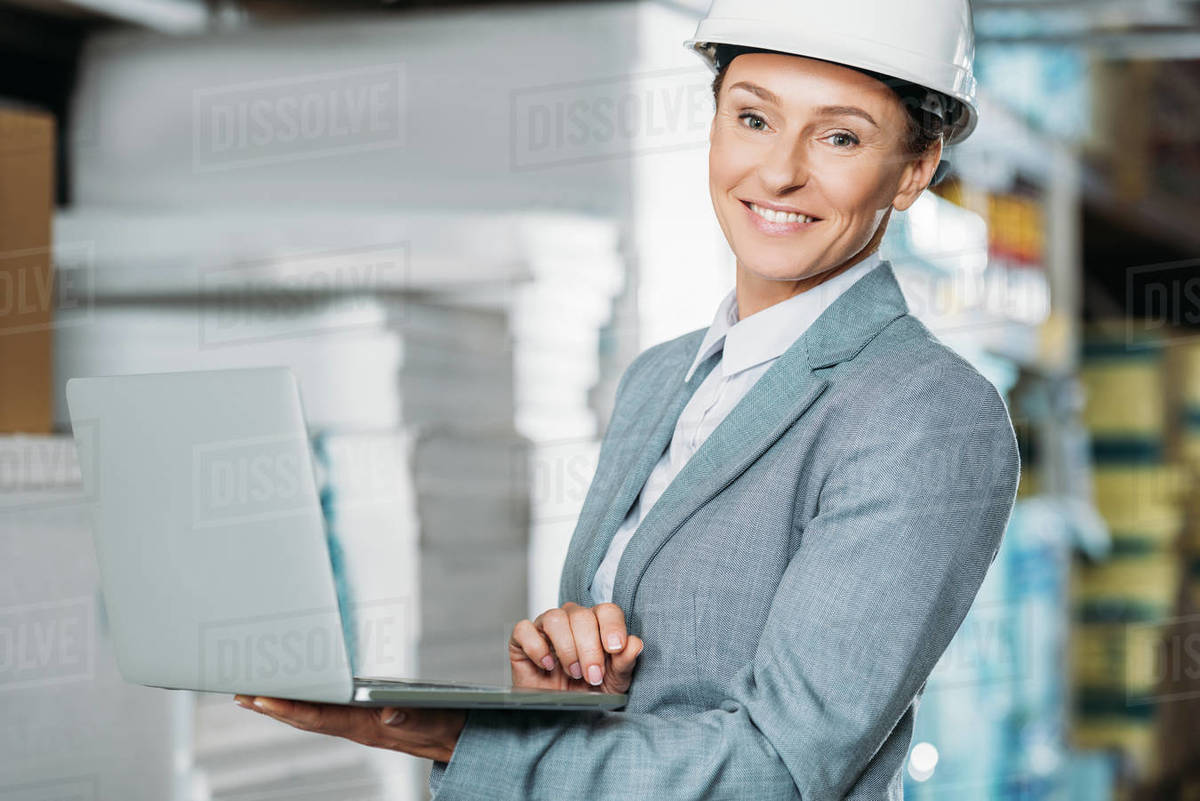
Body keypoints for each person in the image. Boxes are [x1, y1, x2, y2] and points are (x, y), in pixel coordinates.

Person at [237, 0, 1021, 798]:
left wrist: (454, 734)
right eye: (753, 118)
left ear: (916, 170)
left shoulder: (925, 412)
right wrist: (562, 700)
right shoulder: (662, 378)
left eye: (840, 136)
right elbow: (650, 701)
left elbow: (782, 768)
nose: (779, 171)